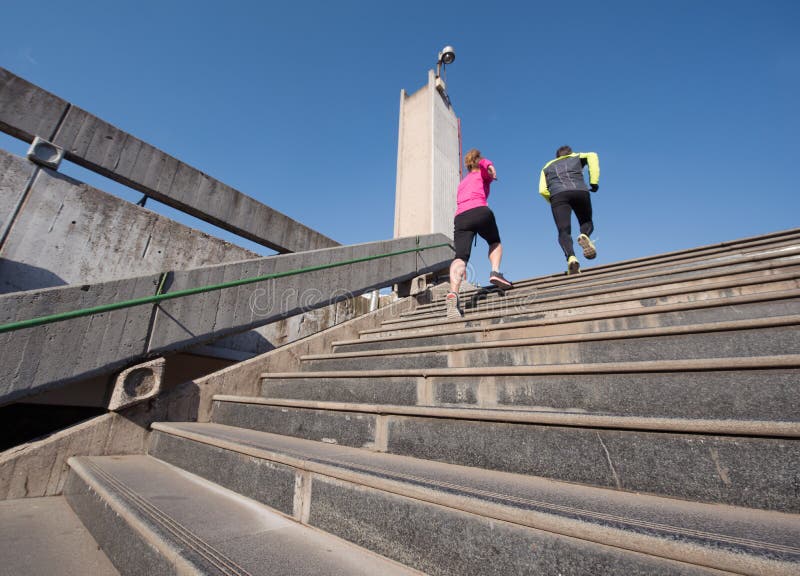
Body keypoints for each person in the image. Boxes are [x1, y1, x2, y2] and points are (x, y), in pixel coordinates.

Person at [446, 149, 513, 319]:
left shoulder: (462, 183)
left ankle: (453, 293)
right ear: (478, 161)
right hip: (480, 211)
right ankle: (495, 271)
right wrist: (489, 165)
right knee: (494, 242)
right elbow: (484, 167)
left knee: (460, 256)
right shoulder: (481, 174)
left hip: (461, 217)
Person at [538, 145, 600, 275]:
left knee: (563, 230)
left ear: (557, 156)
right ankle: (585, 235)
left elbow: (542, 190)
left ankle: (571, 257)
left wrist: (554, 201)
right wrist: (594, 182)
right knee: (586, 221)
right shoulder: (577, 156)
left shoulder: (546, 166)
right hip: (579, 190)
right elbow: (592, 155)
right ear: (569, 153)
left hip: (557, 195)